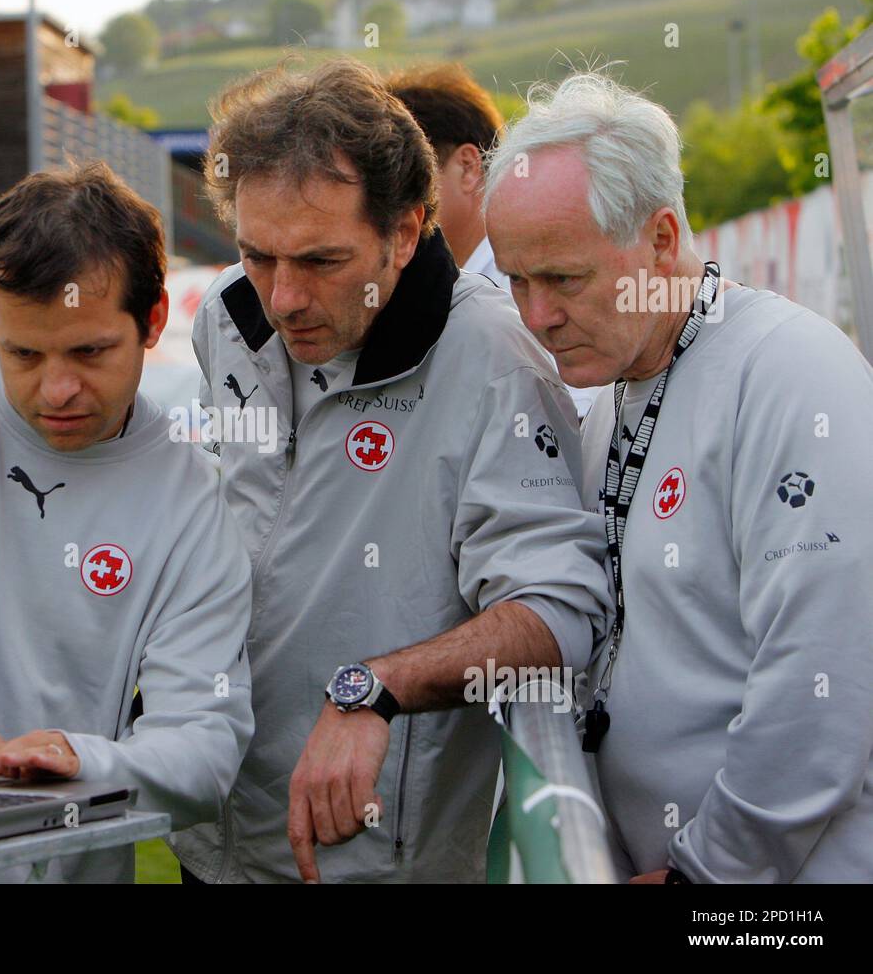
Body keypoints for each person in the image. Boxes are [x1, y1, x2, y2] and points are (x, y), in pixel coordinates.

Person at [170, 58, 611, 883]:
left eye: (322, 261)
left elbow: (558, 614)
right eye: (258, 254)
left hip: (372, 858)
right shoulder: (230, 319)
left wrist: (375, 687)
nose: (283, 297)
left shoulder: (495, 362)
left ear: (406, 232)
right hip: (211, 836)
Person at [484, 71, 873, 882]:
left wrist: (707, 870)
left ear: (662, 239)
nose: (536, 315)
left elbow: (822, 675)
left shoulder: (791, 374)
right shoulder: (614, 385)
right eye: (517, 280)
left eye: (563, 278)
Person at [0, 161, 255, 883]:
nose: (57, 389)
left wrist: (83, 757)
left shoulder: (190, 501)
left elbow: (206, 746)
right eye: (23, 353)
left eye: (89, 351)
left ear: (152, 324)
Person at [388, 63, 598, 420]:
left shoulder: (526, 293)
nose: (383, 203)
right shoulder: (426, 290)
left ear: (468, 167)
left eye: (399, 178)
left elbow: (577, 418)